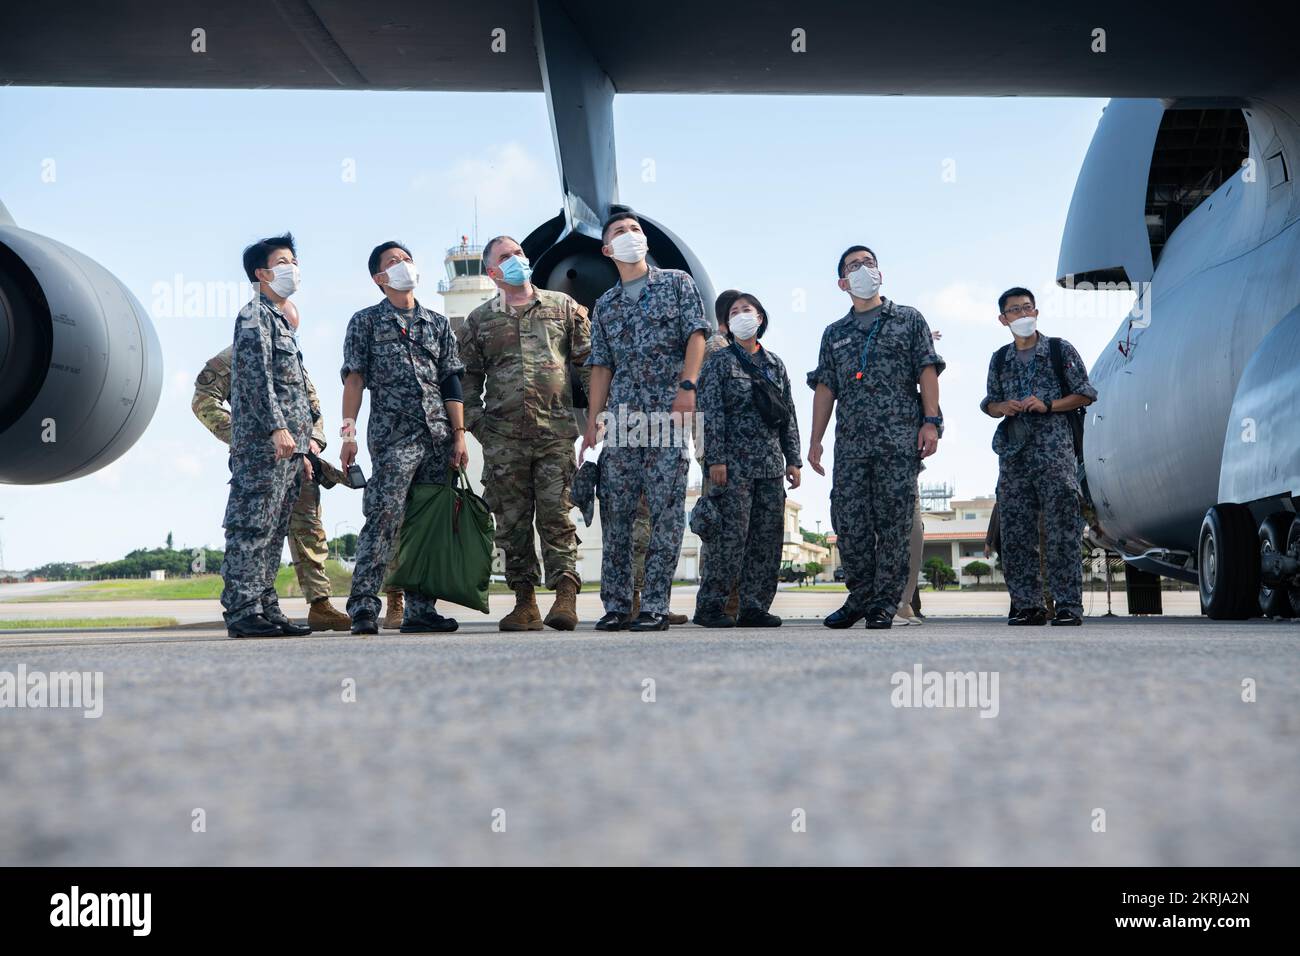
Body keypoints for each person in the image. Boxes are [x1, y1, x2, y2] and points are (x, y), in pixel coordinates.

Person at [807, 245, 944, 630]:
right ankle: (861, 595)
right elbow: (825, 388)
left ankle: (886, 602)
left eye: (869, 263)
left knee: (895, 523)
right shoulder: (834, 333)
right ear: (842, 282)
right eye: (854, 266)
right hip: (850, 445)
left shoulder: (909, 320)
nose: (864, 269)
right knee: (849, 523)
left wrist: (930, 421)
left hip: (898, 441)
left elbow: (927, 371)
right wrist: (815, 440)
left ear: (880, 272)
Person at [582, 210, 708, 631]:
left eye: (635, 230)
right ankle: (617, 606)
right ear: (607, 249)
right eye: (620, 231)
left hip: (669, 415)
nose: (630, 235)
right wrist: (592, 423)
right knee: (616, 513)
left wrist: (688, 387)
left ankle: (654, 604)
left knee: (667, 512)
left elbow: (696, 335)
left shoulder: (676, 283)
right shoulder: (604, 305)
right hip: (620, 422)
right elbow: (601, 365)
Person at [194, 299, 353, 631]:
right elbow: (203, 400)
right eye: (285, 326)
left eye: (292, 329)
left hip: (300, 460)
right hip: (262, 458)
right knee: (255, 531)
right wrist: (247, 435)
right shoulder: (234, 357)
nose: (288, 333)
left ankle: (312, 604)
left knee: (303, 531)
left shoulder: (293, 359)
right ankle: (247, 609)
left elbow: (311, 409)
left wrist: (313, 444)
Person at [458, 235, 591, 631]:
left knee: (557, 516)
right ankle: (525, 602)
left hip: (554, 435)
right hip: (503, 440)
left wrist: (598, 417)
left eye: (518, 252)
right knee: (512, 524)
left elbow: (587, 366)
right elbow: (467, 382)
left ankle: (565, 596)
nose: (516, 259)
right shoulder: (479, 321)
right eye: (505, 257)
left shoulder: (563, 308)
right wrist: (482, 427)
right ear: (492, 272)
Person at [340, 241, 468, 635]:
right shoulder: (364, 322)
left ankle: (420, 609)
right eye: (393, 262)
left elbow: (451, 381)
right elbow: (355, 379)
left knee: (428, 523)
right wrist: (348, 432)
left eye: (407, 259)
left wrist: (459, 435)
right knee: (383, 518)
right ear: (380, 278)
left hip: (438, 437)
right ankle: (363, 606)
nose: (403, 266)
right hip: (394, 438)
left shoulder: (437, 323)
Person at [219, 233, 317, 638]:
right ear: (262, 273)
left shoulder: (280, 320)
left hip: (289, 451)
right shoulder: (254, 316)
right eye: (283, 261)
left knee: (274, 529)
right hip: (263, 447)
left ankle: (266, 607)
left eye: (293, 260)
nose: (292, 268)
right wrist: (277, 427)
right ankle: (243, 611)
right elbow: (258, 379)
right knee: (251, 527)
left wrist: (304, 446)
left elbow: (292, 387)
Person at [981, 287, 1096, 626]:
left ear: (1037, 311)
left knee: (1062, 531)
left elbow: (1086, 394)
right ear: (1003, 319)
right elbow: (989, 403)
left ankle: (1067, 606)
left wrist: (1048, 405)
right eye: (1014, 310)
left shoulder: (1060, 350)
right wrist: (1003, 407)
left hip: (1054, 454)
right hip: (1014, 456)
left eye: (1027, 307)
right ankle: (1028, 605)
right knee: (1016, 534)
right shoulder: (1000, 358)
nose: (1022, 314)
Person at [630, 289, 741, 624]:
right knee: (721, 523)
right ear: (727, 318)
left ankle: (649, 600)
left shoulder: (718, 348)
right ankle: (721, 600)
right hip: (719, 447)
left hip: (702, 442)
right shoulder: (719, 348)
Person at [693, 292, 802, 627]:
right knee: (729, 539)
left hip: (770, 466)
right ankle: (711, 606)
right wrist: (716, 460)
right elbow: (710, 414)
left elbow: (788, 413)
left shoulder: (774, 364)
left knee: (766, 540)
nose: (741, 315)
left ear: (760, 318)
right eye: (735, 311)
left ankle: (754, 606)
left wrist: (793, 459)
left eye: (747, 310)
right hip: (733, 466)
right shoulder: (718, 362)